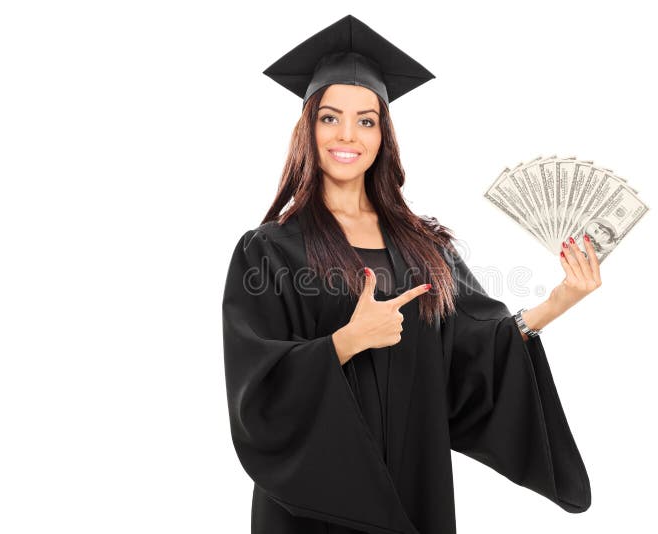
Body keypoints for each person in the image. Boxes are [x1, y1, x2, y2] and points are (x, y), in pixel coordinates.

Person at [222, 14, 600, 534]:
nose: (347, 135)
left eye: (366, 120)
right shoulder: (267, 253)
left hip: (413, 490)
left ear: (383, 134)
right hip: (311, 507)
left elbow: (474, 356)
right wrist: (345, 342)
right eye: (330, 118)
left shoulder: (425, 248)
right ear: (308, 127)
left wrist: (556, 303)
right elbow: (255, 392)